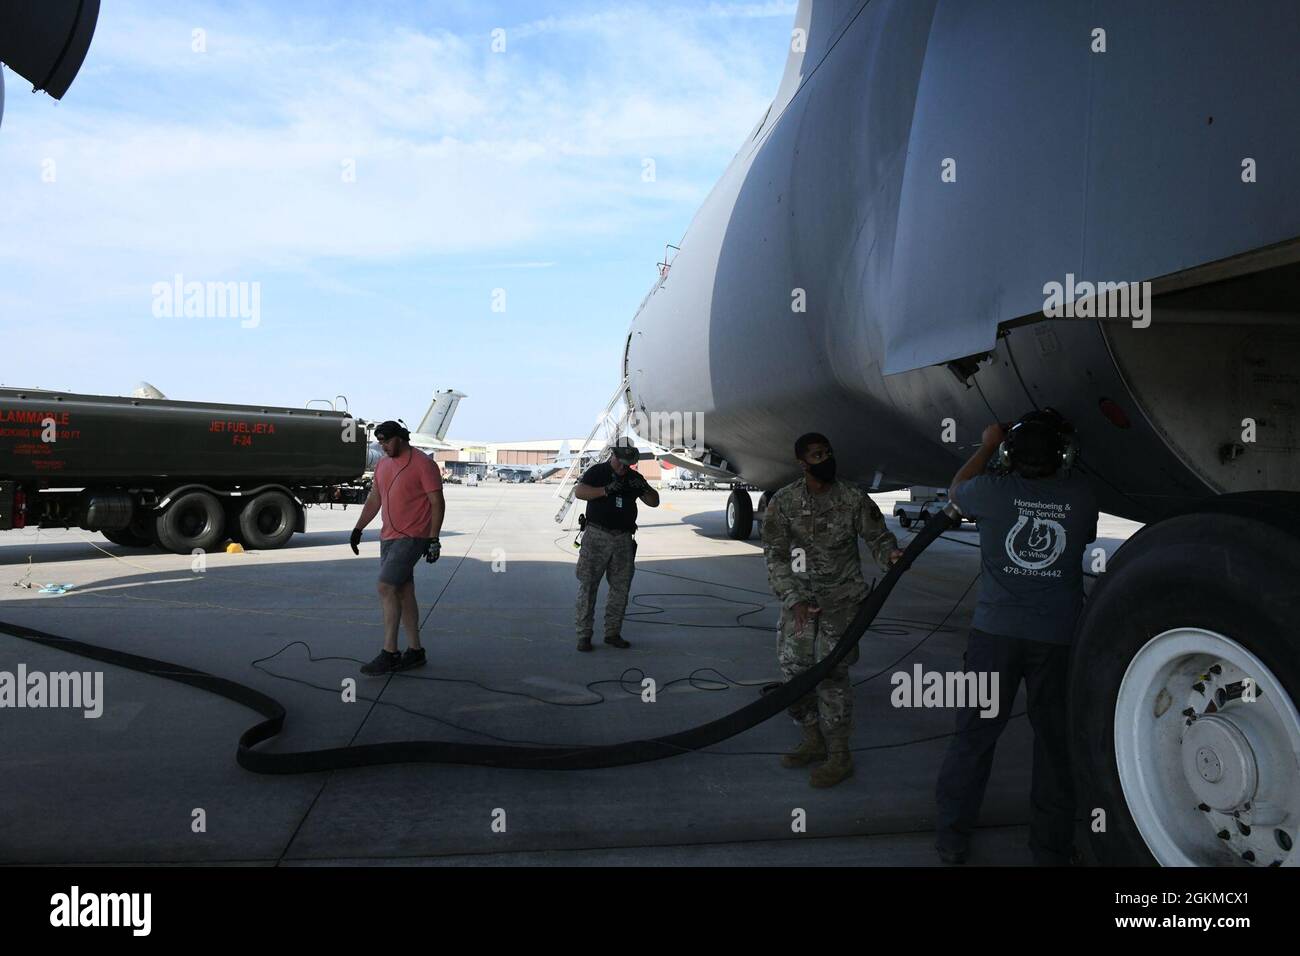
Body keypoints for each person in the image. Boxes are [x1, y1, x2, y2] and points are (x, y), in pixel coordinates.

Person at [934, 409, 1098, 865]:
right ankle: (1050, 850)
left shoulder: (988, 492)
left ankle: (951, 837)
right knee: (1054, 746)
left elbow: (954, 492)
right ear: (1062, 455)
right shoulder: (1082, 497)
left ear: (1009, 455)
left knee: (973, 738)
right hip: (1057, 640)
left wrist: (987, 445)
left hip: (994, 639)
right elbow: (1082, 535)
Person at [762, 433, 902, 788]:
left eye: (828, 453)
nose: (825, 459)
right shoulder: (785, 501)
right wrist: (791, 597)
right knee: (794, 674)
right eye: (817, 455)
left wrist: (891, 557)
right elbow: (775, 554)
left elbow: (878, 538)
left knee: (832, 677)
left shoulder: (852, 498)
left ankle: (839, 755)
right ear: (802, 462)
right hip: (799, 605)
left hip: (840, 604)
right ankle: (812, 738)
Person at [350, 421, 445, 675]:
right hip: (389, 537)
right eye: (380, 442)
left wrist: (433, 539)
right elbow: (375, 498)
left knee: (386, 586)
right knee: (403, 590)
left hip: (413, 536)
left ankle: (389, 653)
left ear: (401, 439)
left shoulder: (424, 464)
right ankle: (415, 651)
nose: (383, 446)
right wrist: (358, 528)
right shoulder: (382, 464)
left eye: (387, 441)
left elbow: (437, 502)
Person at [572, 441, 659, 652]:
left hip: (623, 538)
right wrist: (605, 490)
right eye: (621, 462)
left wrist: (644, 489)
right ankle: (584, 635)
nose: (624, 467)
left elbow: (654, 501)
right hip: (597, 535)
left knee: (620, 587)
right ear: (613, 456)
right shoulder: (598, 472)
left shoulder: (633, 478)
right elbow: (579, 492)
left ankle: (612, 633)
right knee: (588, 585)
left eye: (628, 464)